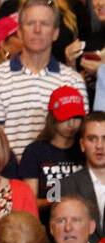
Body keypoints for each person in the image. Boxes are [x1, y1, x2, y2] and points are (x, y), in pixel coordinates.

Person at [0, 0, 88, 161]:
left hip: (58, 173)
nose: (37, 30)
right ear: (19, 31)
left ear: (55, 33)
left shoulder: (73, 81)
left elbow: (81, 136)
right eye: (30, 23)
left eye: (45, 24)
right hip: (9, 173)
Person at [19, 86, 86, 215]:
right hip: (46, 224)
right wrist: (59, 200)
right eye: (66, 117)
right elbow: (29, 203)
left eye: (77, 117)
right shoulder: (35, 152)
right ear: (52, 117)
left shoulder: (86, 148)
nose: (72, 124)